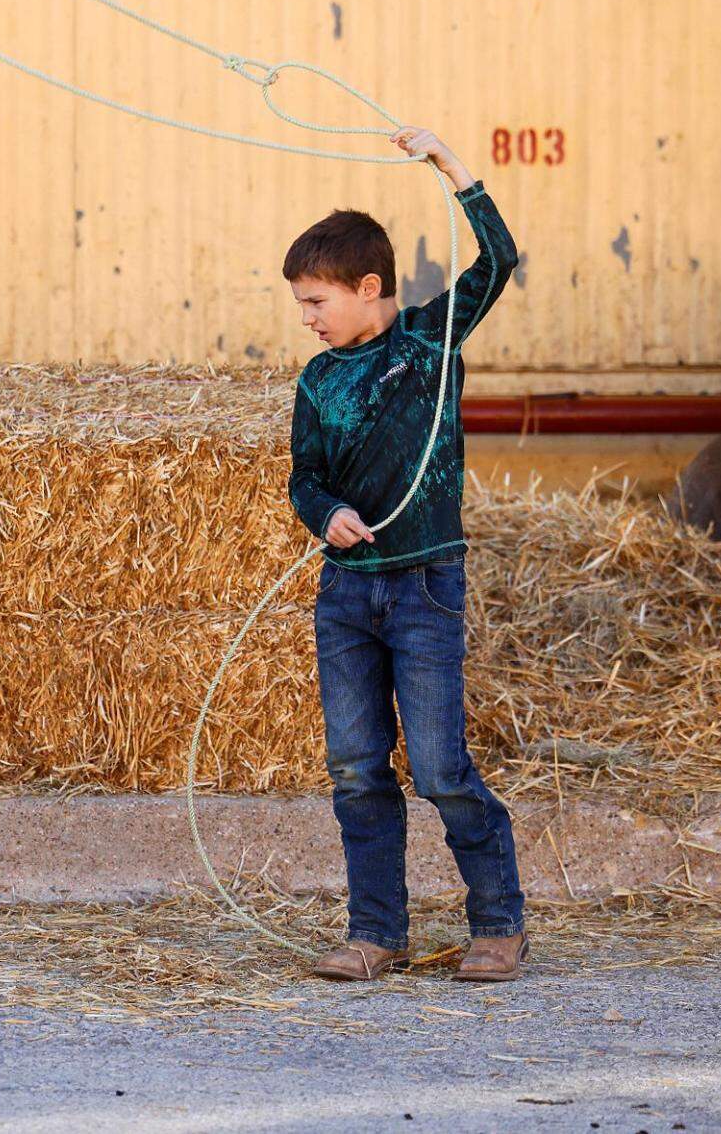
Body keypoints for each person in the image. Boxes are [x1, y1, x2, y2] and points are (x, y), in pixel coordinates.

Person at [282, 126, 528, 982]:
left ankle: (497, 923)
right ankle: (375, 934)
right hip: (346, 595)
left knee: (438, 769)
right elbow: (304, 477)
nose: (306, 319)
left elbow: (497, 260)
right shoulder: (317, 381)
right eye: (300, 305)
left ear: (368, 288)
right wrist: (327, 515)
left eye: (315, 302)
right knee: (356, 770)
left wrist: (453, 171)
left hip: (424, 588)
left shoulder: (429, 340)